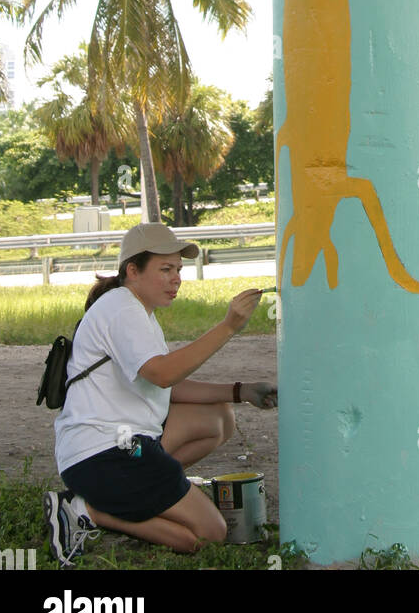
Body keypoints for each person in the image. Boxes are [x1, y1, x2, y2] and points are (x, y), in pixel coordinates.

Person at [45, 222, 277, 567]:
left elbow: (164, 384)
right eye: (166, 269)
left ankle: (138, 494)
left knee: (217, 418)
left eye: (179, 269)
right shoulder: (122, 310)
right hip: (103, 455)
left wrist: (240, 392)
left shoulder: (135, 309)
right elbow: (164, 373)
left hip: (117, 445)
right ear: (133, 271)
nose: (176, 278)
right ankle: (87, 509)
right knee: (209, 533)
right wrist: (229, 326)